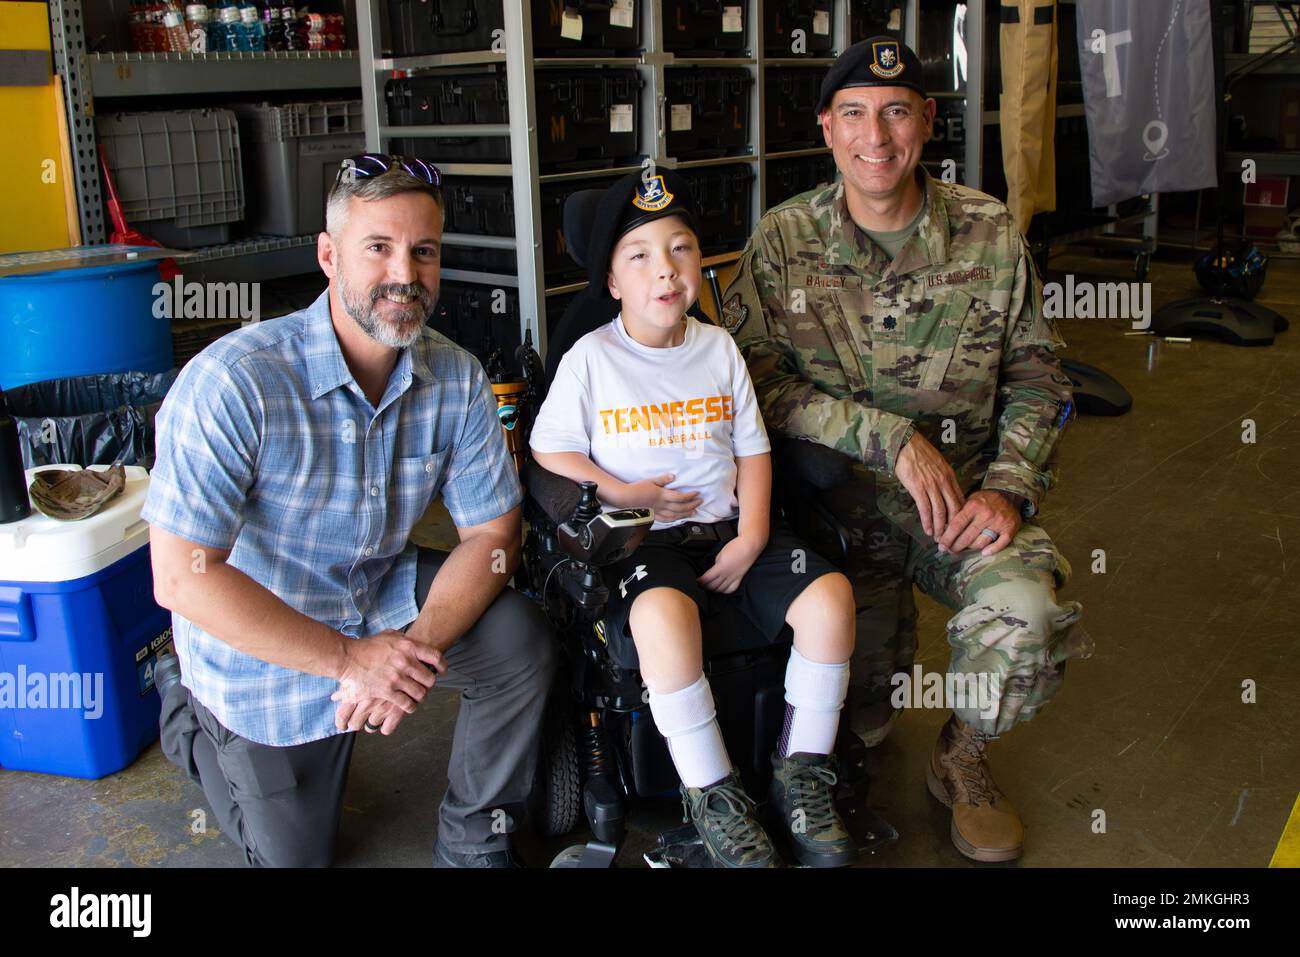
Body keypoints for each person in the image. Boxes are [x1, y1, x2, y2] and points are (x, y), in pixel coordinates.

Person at [722, 38, 1092, 863]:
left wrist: (1009, 487)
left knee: (1024, 615)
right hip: (833, 522)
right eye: (853, 114)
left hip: (957, 508)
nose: (876, 137)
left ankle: (961, 753)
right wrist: (885, 435)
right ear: (826, 128)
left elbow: (1039, 378)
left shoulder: (991, 232)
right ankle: (871, 699)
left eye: (896, 112)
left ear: (927, 121)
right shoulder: (782, 241)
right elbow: (752, 389)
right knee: (862, 719)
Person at [144, 154, 555, 868]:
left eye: (423, 251)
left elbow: (493, 534)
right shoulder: (233, 382)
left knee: (519, 640)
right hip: (263, 637)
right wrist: (349, 660)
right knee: (296, 856)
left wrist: (415, 650)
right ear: (329, 257)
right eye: (379, 248)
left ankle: (473, 833)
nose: (406, 273)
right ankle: (185, 706)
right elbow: (182, 578)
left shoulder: (455, 375)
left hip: (379, 594)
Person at [529, 167, 859, 869]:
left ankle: (802, 776)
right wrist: (616, 488)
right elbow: (547, 448)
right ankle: (714, 796)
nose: (666, 270)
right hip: (645, 540)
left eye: (681, 249)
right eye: (640, 256)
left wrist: (756, 535)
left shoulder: (719, 349)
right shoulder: (592, 358)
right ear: (612, 282)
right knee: (660, 619)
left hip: (732, 528)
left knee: (830, 599)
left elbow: (755, 450)